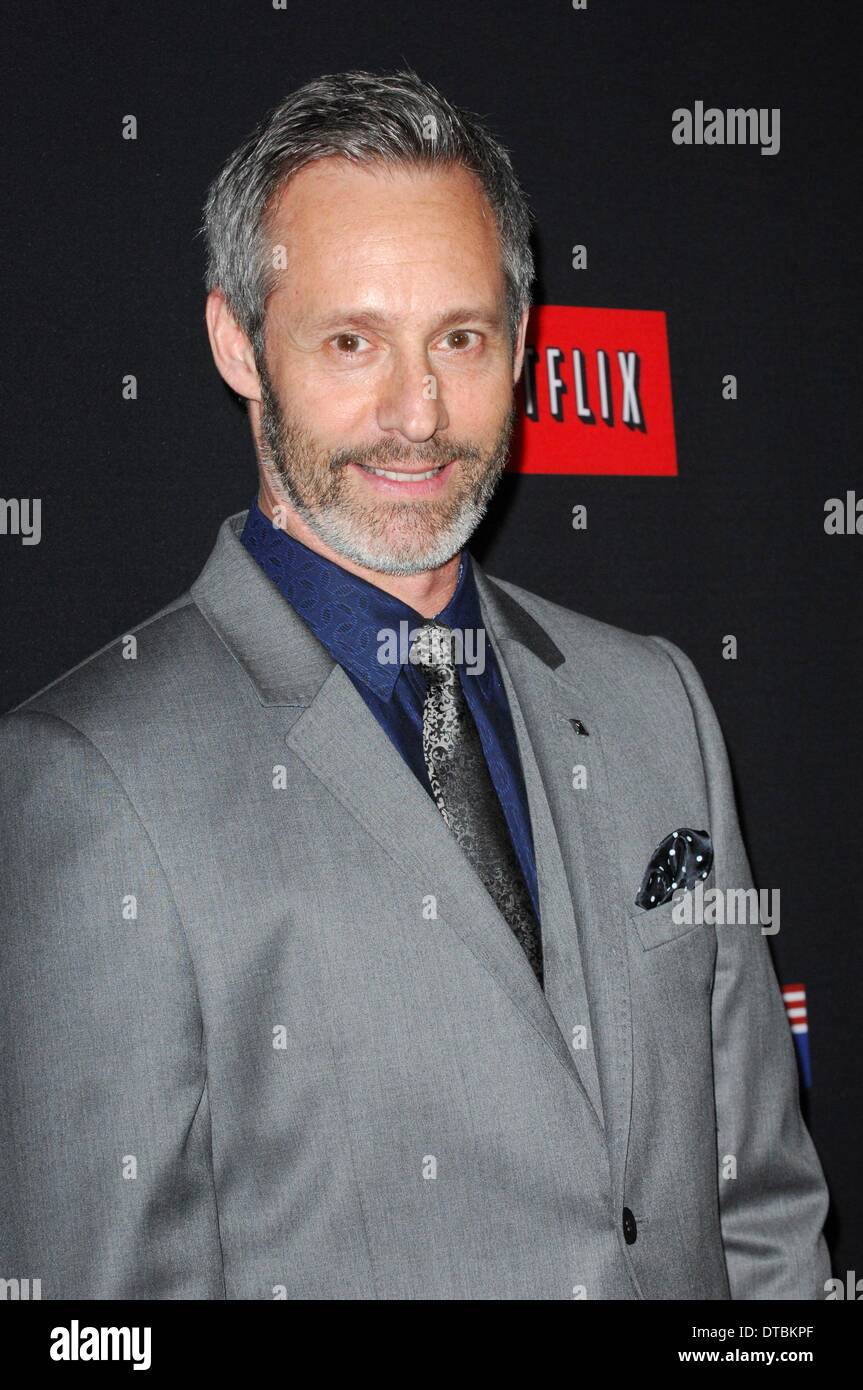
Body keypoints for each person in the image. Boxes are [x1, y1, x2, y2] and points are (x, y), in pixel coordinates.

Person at [0, 69, 830, 1300]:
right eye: (351, 342)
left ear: (522, 334)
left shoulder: (656, 703)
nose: (419, 414)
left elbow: (758, 1210)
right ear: (239, 342)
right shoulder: (91, 779)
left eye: (460, 337)